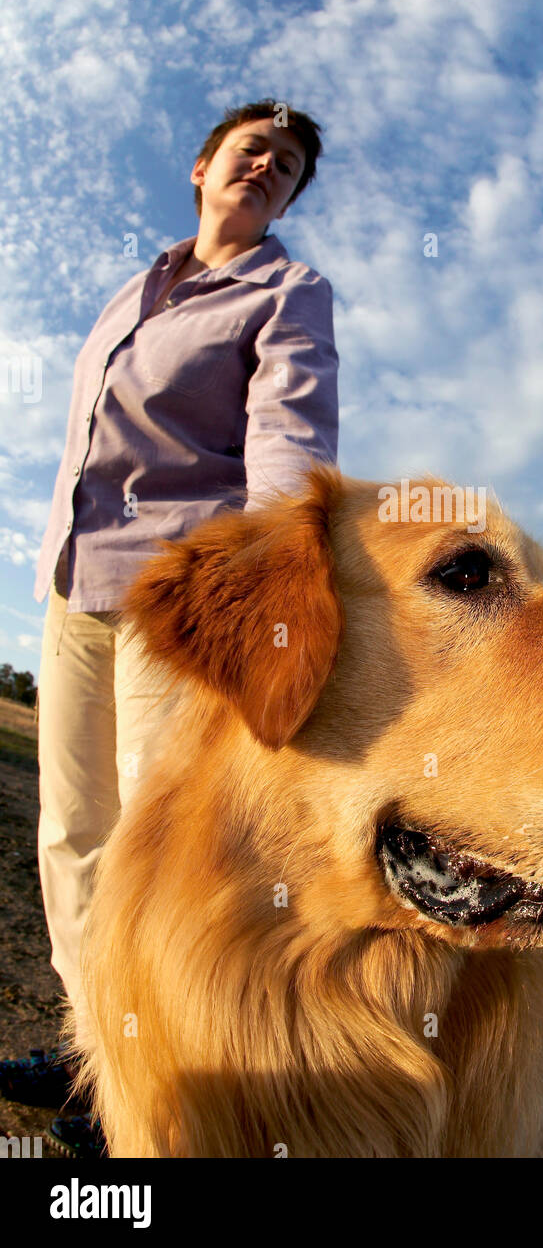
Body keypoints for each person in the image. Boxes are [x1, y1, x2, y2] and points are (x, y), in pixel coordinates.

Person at [0, 98, 339, 1155]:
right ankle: (96, 1043)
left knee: (164, 854)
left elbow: (289, 434)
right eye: (253, 151)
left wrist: (275, 581)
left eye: (285, 166)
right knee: (74, 837)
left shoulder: (290, 291)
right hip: (69, 589)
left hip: (172, 603)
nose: (267, 168)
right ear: (202, 166)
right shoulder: (131, 290)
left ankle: (152, 1078)